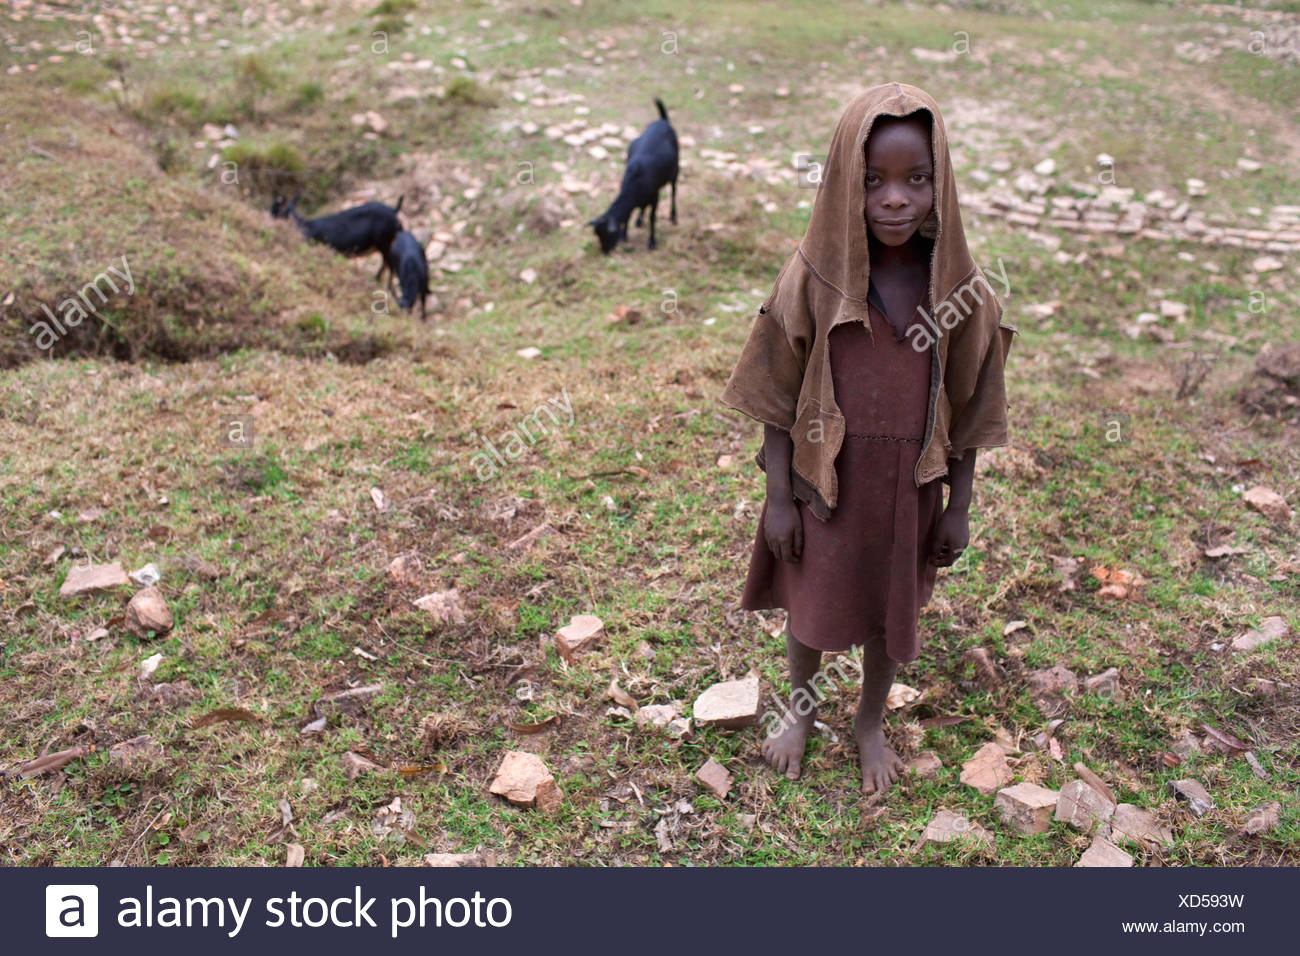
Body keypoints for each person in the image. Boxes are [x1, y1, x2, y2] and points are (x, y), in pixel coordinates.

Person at [721, 83, 1015, 794]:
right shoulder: (816, 276)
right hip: (828, 483)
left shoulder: (958, 288)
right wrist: (779, 498)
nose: (894, 200)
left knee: (890, 614)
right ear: (842, 182)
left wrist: (960, 505)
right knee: (812, 607)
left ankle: (869, 721)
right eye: (873, 181)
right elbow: (775, 389)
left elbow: (975, 402)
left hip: (910, 491)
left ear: (939, 179)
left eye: (916, 180)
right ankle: (802, 710)